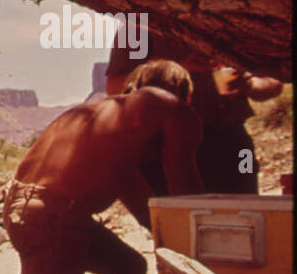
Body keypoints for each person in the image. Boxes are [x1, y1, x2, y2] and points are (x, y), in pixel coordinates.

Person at [6, 60, 203, 274]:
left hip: (21, 207)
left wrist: (163, 238)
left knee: (129, 268)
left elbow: (137, 197)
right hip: (56, 216)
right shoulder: (173, 110)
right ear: (183, 90)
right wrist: (200, 259)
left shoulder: (106, 115)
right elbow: (187, 202)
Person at [106, 46, 282, 194]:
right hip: (169, 146)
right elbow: (113, 87)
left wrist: (251, 84)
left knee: (248, 210)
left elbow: (275, 83)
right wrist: (172, 71)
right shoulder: (138, 24)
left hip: (234, 141)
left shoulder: (233, 17)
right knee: (184, 222)